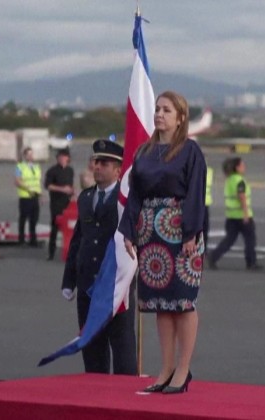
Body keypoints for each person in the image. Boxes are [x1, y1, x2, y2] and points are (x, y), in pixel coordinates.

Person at [119, 90, 207, 394]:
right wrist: (129, 230)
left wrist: (190, 233)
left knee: (182, 302)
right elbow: (135, 195)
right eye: (157, 109)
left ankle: (183, 368)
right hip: (150, 233)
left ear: (180, 117)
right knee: (160, 304)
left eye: (166, 110)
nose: (159, 114)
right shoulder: (143, 152)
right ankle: (166, 367)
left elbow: (196, 192)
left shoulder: (190, 151)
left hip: (180, 230)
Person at [61, 140, 135, 375]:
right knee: (92, 348)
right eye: (96, 162)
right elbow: (78, 240)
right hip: (87, 283)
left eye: (104, 163)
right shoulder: (85, 197)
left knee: (122, 348)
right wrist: (69, 280)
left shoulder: (126, 202)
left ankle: (125, 400)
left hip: (115, 284)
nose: (98, 167)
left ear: (118, 169)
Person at [208, 157, 262, 271]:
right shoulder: (239, 180)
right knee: (250, 240)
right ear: (237, 167)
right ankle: (251, 262)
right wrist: (246, 214)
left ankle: (214, 256)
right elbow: (241, 196)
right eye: (242, 165)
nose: (244, 167)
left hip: (231, 215)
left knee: (229, 240)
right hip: (241, 215)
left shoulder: (229, 180)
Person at [45, 148, 75, 261]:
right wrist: (62, 189)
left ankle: (69, 251)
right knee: (55, 227)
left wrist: (72, 192)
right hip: (56, 203)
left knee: (71, 228)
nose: (62, 159)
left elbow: (70, 185)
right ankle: (51, 253)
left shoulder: (70, 170)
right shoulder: (52, 171)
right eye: (60, 157)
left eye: (64, 157)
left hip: (67, 203)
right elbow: (48, 186)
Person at [15, 147, 42, 247]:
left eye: (32, 154)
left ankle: (33, 239)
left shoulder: (36, 167)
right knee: (23, 218)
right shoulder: (20, 167)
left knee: (34, 218)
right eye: (28, 154)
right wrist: (28, 189)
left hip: (35, 195)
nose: (31, 156)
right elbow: (17, 181)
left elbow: (37, 182)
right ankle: (21, 239)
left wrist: (40, 195)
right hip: (25, 196)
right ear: (25, 156)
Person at [203, 165, 214, 253]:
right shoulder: (209, 171)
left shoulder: (209, 171)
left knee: (204, 228)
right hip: (200, 203)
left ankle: (204, 249)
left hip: (205, 203)